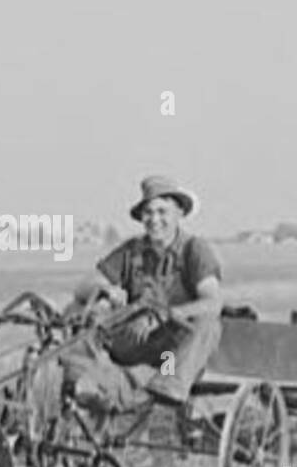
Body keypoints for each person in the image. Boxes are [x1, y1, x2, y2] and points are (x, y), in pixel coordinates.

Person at [63, 175, 223, 410]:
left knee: (209, 324)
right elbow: (83, 287)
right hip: (132, 345)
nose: (154, 220)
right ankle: (79, 380)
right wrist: (105, 290)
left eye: (162, 212)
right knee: (80, 310)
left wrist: (165, 315)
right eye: (149, 213)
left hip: (169, 355)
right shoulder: (131, 251)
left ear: (179, 213)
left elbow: (212, 302)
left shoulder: (195, 250)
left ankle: (163, 389)